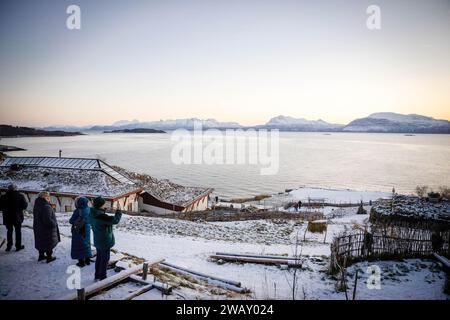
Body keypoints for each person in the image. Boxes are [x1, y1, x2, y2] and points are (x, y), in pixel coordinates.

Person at [89, 196, 122, 281]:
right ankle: (103, 278)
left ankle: (97, 275)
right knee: (104, 259)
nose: (105, 205)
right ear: (100, 205)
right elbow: (115, 220)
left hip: (98, 240)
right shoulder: (101, 217)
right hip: (105, 241)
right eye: (103, 204)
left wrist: (102, 210)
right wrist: (118, 211)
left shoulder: (92, 214)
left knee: (99, 258)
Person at [33, 191, 60, 263]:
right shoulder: (46, 206)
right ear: (44, 198)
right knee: (48, 242)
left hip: (38, 226)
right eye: (47, 197)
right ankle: (49, 257)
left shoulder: (37, 204)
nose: (49, 198)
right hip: (46, 229)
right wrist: (54, 224)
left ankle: (41, 256)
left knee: (40, 241)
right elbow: (47, 220)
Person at [0, 184, 28, 252]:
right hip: (17, 217)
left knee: (9, 231)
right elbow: (24, 206)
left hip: (7, 217)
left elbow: (0, 207)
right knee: (18, 231)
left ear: (8, 189)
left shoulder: (3, 196)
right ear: (16, 189)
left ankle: (9, 246)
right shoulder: (20, 196)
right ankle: (18, 246)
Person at [69, 197, 92, 267]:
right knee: (86, 243)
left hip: (78, 230)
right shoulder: (89, 209)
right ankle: (87, 260)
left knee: (79, 244)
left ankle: (81, 262)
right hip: (87, 229)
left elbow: (71, 221)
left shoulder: (77, 211)